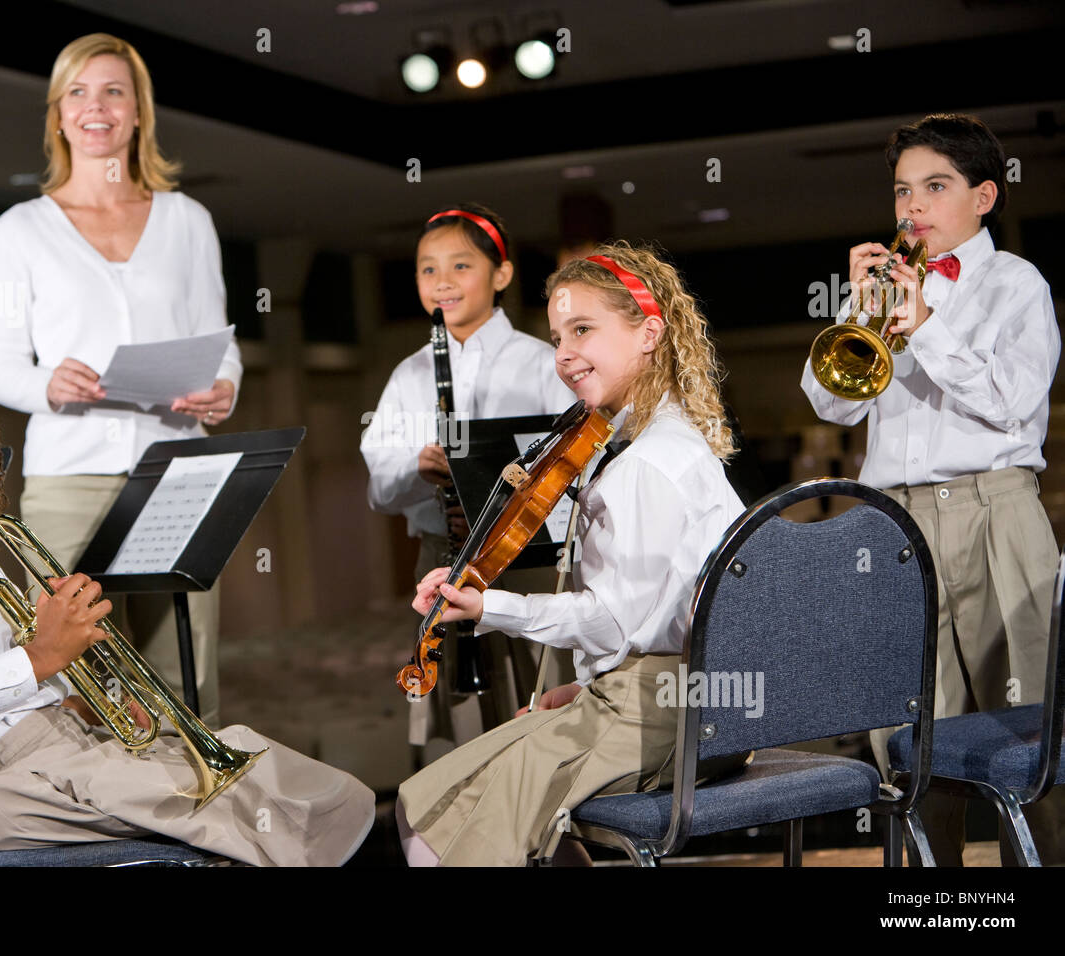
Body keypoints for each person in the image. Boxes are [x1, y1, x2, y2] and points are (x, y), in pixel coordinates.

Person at [0, 336, 374, 865]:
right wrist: (39, 659)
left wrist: (70, 697)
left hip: (46, 752)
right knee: (264, 810)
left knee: (254, 767)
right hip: (9, 783)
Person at [396, 242, 745, 866]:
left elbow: (612, 621)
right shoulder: (671, 439)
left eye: (583, 330)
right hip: (700, 704)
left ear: (649, 334)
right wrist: (590, 687)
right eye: (557, 337)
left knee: (429, 816)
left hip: (664, 716)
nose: (563, 356)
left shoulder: (641, 466)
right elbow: (650, 616)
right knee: (449, 801)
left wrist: (488, 606)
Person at [800, 112, 1063, 866]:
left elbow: (1013, 402)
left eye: (935, 187)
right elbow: (831, 403)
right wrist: (864, 310)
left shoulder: (1017, 283)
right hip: (896, 524)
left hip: (996, 509)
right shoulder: (885, 288)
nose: (911, 207)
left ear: (985, 196)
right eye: (902, 191)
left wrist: (929, 320)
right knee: (912, 733)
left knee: (1033, 726)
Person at [0, 33, 235, 727]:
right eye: (79, 93)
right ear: (57, 115)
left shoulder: (188, 221)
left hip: (179, 474)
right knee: (82, 678)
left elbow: (219, 344)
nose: (97, 107)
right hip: (70, 481)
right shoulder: (18, 230)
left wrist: (225, 386)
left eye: (114, 91)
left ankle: (193, 824)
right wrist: (48, 387)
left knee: (185, 665)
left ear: (139, 111)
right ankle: (98, 828)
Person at [361, 203, 574, 756]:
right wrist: (418, 466)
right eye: (427, 269)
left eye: (461, 266)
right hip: (441, 560)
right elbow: (379, 490)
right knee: (463, 737)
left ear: (501, 274)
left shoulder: (542, 362)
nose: (442, 282)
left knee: (541, 710)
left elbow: (577, 469)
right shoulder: (408, 374)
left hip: (524, 562)